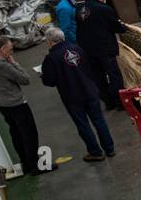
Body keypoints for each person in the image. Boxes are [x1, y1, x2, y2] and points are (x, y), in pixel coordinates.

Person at [40, 27, 115, 162]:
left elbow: (49, 81)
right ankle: (110, 148)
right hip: (90, 90)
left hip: (72, 96)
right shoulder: (78, 49)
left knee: (83, 125)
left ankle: (95, 152)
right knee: (99, 120)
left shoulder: (51, 58)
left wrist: (43, 75)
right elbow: (90, 67)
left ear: (50, 41)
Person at [0, 35, 51, 176]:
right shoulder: (3, 66)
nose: (12, 52)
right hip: (16, 103)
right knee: (29, 133)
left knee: (16, 132)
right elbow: (25, 79)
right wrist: (13, 62)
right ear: (2, 49)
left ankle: (25, 163)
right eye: (10, 49)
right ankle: (35, 165)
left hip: (2, 104)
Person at [78, 0, 127, 110]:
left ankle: (108, 102)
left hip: (87, 49)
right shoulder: (104, 8)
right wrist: (124, 27)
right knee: (114, 75)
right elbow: (116, 26)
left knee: (98, 77)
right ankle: (120, 103)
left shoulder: (80, 9)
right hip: (104, 49)